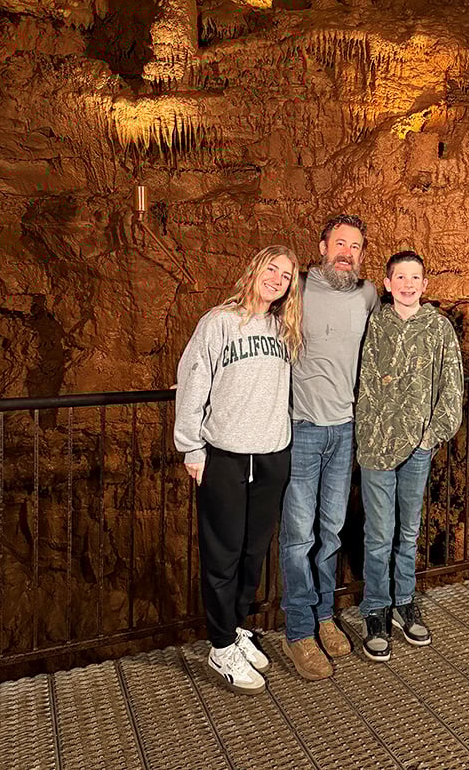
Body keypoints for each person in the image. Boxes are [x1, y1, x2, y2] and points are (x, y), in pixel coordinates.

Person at [174, 245, 302, 694]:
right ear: (254, 269)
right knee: (223, 553)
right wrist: (192, 448)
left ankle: (234, 626)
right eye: (272, 269)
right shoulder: (218, 322)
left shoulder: (283, 328)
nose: (278, 279)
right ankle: (220, 645)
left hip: (271, 454)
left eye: (286, 276)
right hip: (225, 456)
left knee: (253, 551)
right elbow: (193, 381)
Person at [280, 215, 379, 680]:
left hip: (344, 430)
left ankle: (323, 615)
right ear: (322, 247)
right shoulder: (295, 289)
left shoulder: (367, 294)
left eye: (355, 247)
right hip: (302, 429)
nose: (347, 253)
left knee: (331, 532)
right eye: (340, 243)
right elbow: (249, 319)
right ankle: (299, 631)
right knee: (299, 537)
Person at [355, 250, 463, 662]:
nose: (407, 284)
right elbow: (360, 379)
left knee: (408, 531)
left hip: (417, 448)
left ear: (424, 284)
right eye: (400, 277)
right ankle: (375, 609)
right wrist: (366, 431)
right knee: (379, 534)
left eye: (414, 277)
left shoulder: (437, 328)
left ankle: (404, 602)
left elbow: (451, 386)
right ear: (387, 283)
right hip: (377, 446)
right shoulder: (374, 324)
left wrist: (430, 436)